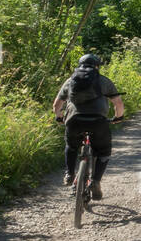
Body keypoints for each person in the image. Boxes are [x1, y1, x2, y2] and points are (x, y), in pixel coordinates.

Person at [53, 53, 124, 200]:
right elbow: (118, 103)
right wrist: (118, 117)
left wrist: (59, 117)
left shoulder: (71, 80)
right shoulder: (104, 81)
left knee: (71, 146)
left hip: (74, 121)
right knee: (104, 152)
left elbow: (57, 105)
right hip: (98, 122)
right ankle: (95, 181)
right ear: (97, 66)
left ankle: (69, 173)